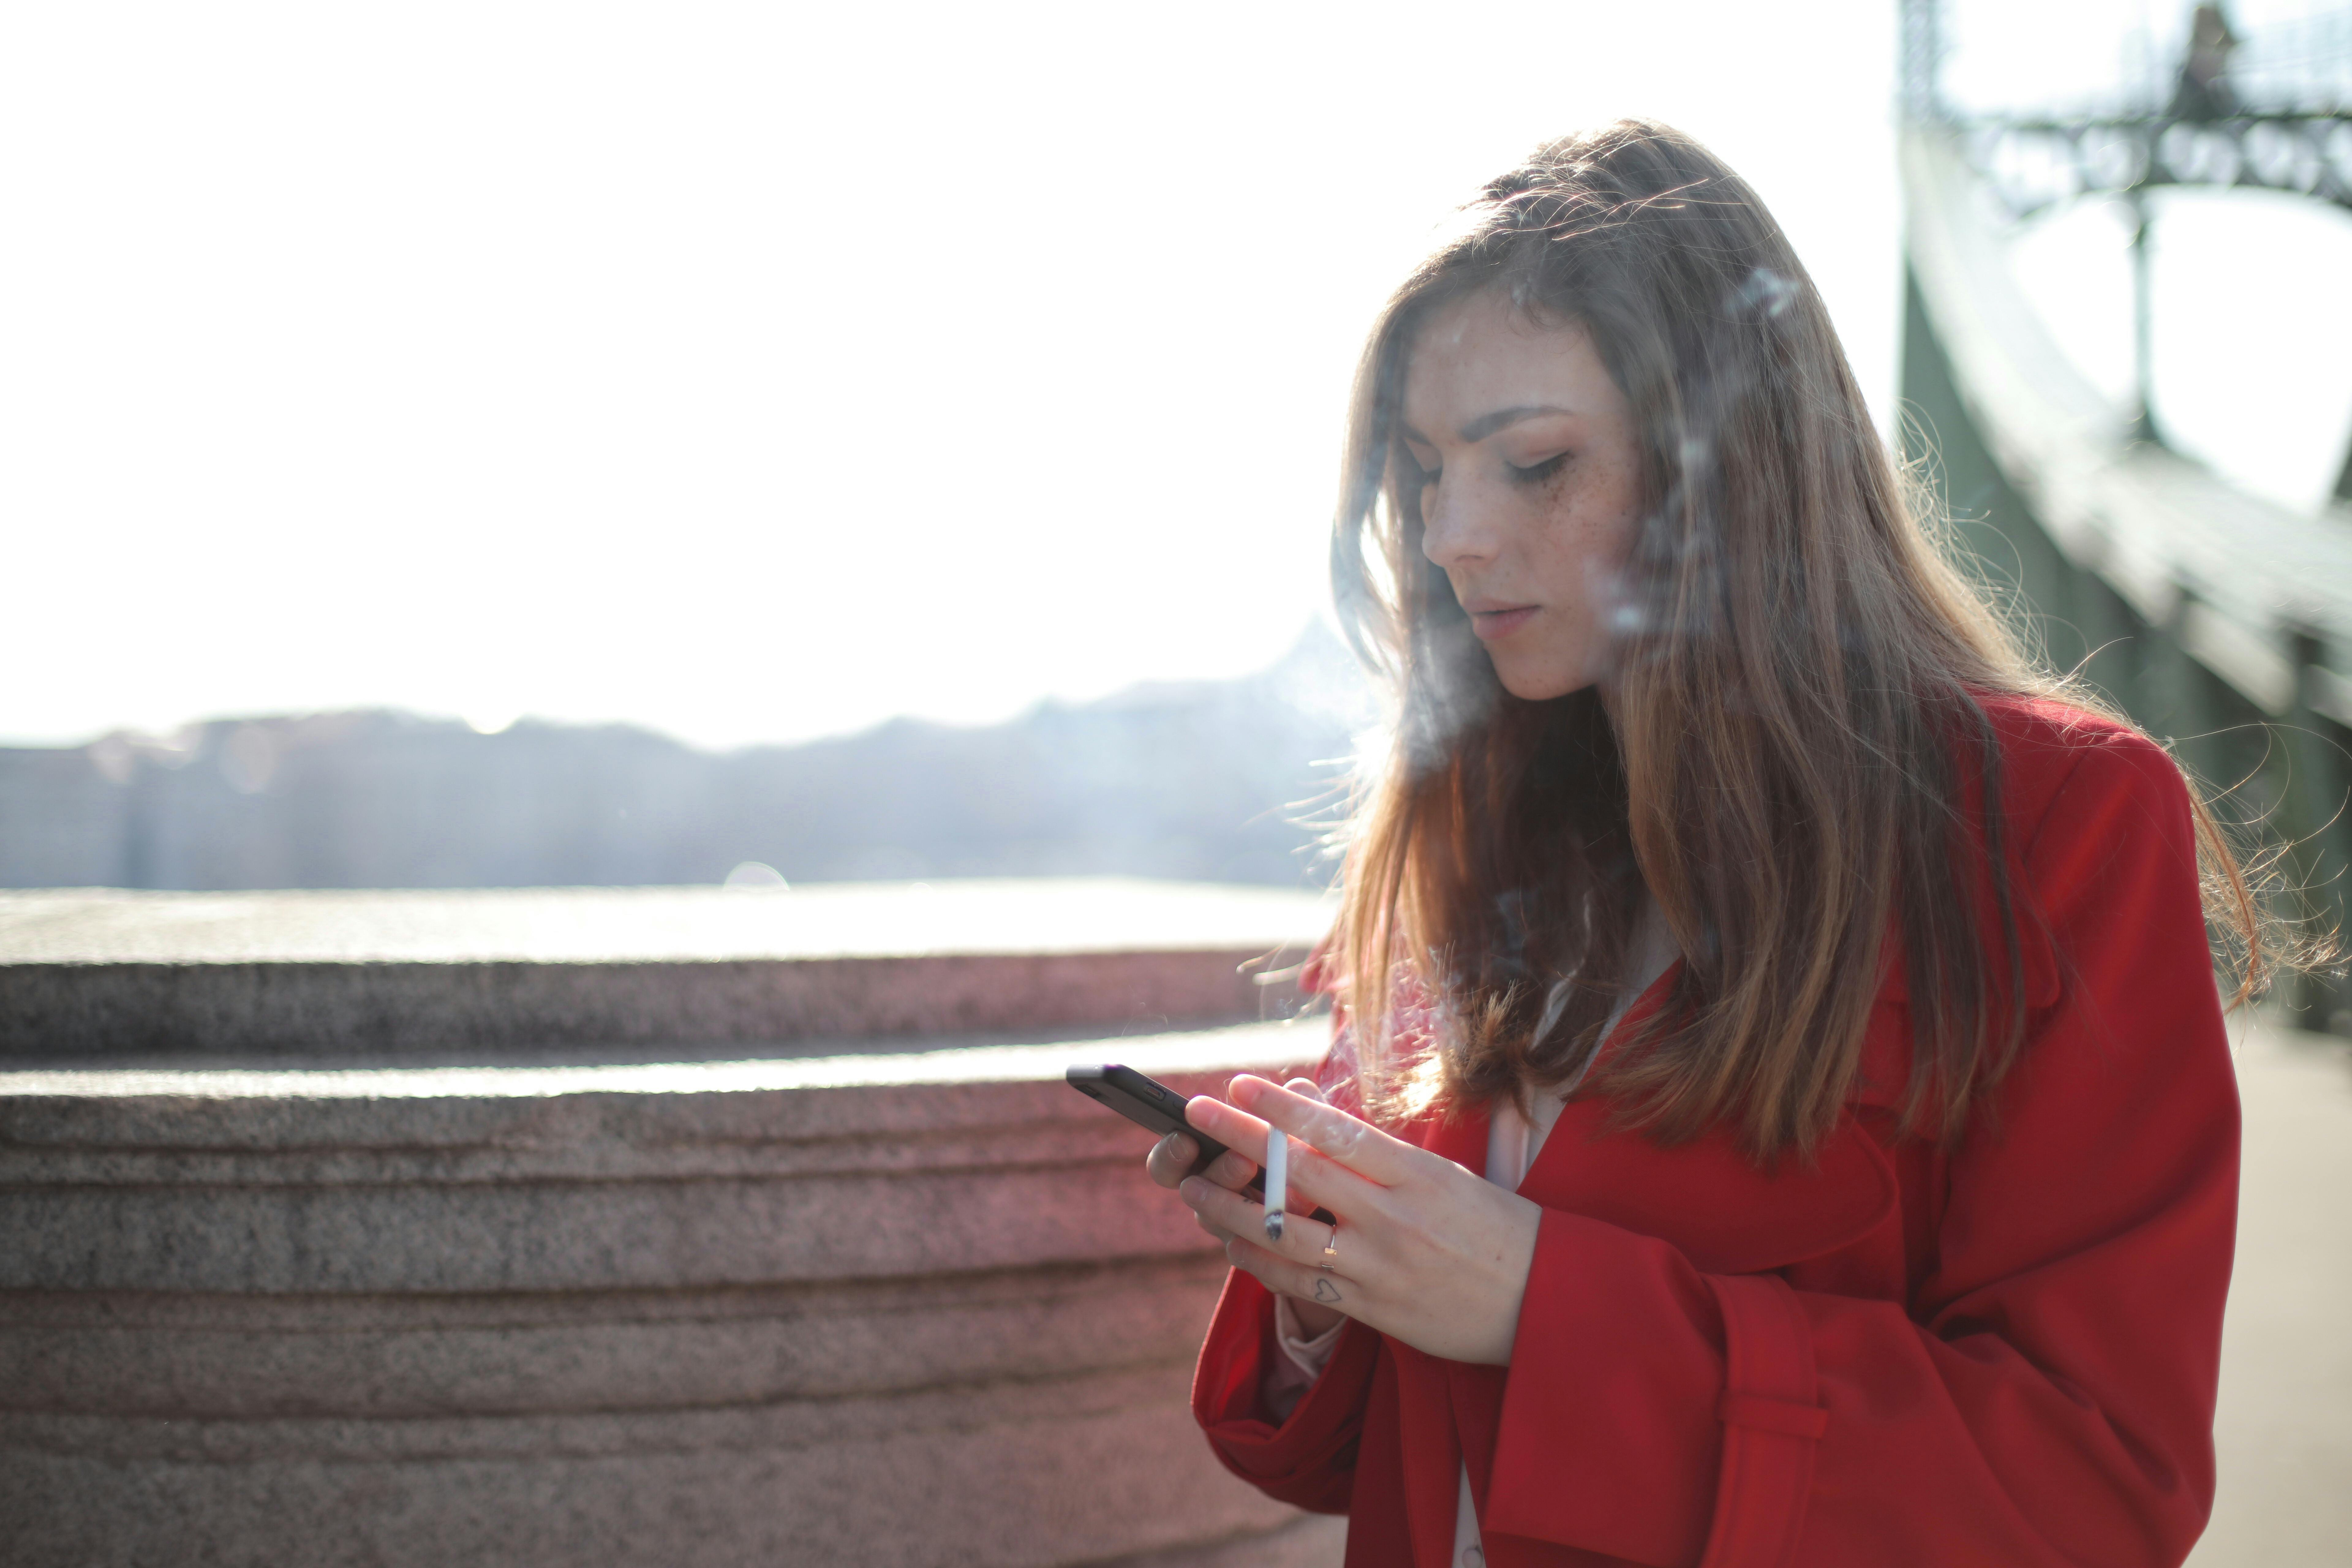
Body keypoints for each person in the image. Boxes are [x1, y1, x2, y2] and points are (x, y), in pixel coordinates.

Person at [1144, 122, 2274, 1567]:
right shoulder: (1469, 831)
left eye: (1535, 464)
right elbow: (1363, 1451)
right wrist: (1331, 1276)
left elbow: (2095, 1489)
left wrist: (1538, 1301)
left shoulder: (2055, 826)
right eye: (1427, 469)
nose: (1450, 535)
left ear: (1732, 467)